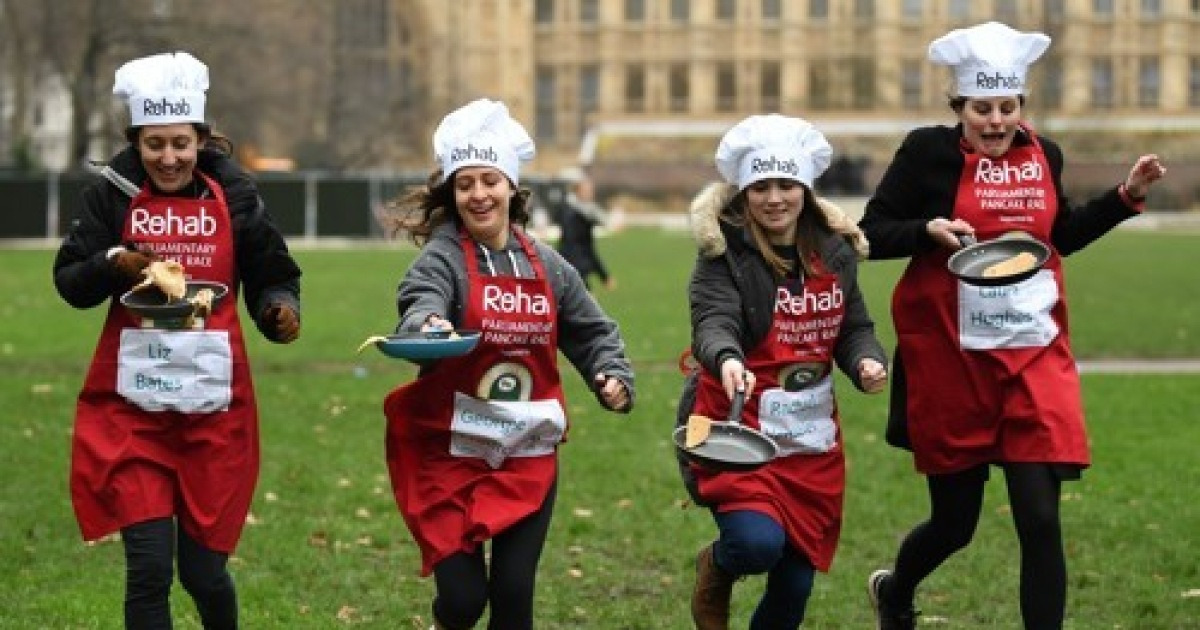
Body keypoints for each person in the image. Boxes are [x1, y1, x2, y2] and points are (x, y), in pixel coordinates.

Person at [858, 22, 1167, 630]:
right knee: (955, 526)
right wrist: (926, 230)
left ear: (1021, 105)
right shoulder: (925, 153)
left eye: (1007, 107)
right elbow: (869, 234)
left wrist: (1125, 196)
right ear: (959, 107)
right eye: (982, 109)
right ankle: (896, 590)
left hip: (1031, 353)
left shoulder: (1045, 154)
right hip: (950, 358)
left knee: (1040, 518)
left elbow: (1059, 238)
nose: (996, 121)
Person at [52, 51, 302, 629]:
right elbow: (69, 282)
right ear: (136, 143)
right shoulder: (111, 195)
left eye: (181, 144)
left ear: (202, 141)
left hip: (214, 415)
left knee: (204, 574)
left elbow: (274, 275)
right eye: (155, 144)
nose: (169, 158)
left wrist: (279, 311)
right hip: (132, 412)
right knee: (148, 569)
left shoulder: (235, 195)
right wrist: (113, 262)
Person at [380, 98, 635, 630]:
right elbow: (419, 298)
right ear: (453, 193)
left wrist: (611, 375)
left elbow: (592, 330)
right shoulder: (443, 258)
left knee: (514, 596)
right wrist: (427, 323)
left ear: (512, 187)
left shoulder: (549, 265)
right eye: (465, 184)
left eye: (489, 180)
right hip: (450, 453)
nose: (478, 194)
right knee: (463, 601)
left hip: (526, 452)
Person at [679, 114, 889, 629]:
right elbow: (713, 321)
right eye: (761, 187)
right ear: (744, 192)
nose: (775, 199)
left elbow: (854, 325)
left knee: (795, 583)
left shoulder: (835, 251)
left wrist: (866, 359)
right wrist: (728, 359)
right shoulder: (723, 253)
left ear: (805, 189)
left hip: (809, 439)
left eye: (787, 185)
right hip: (735, 428)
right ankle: (718, 564)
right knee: (756, 544)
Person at [555, 166, 615, 290]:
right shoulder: (578, 215)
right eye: (588, 190)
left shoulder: (572, 210)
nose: (591, 193)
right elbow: (583, 247)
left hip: (568, 267)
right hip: (574, 268)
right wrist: (604, 275)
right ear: (578, 191)